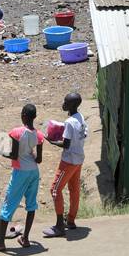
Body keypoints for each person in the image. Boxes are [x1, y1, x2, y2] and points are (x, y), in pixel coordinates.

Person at [0, 104, 44, 250]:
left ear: (23, 115)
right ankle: (25, 238)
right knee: (31, 205)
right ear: (34, 117)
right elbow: (39, 159)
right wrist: (31, 154)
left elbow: (14, 155)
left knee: (9, 204)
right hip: (34, 171)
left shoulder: (16, 132)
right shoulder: (39, 135)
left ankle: (0, 242)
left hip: (20, 171)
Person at [43, 92, 88, 237]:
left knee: (55, 189)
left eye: (66, 102)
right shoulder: (80, 117)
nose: (64, 104)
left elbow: (66, 144)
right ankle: (71, 220)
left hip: (68, 161)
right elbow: (83, 135)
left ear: (73, 105)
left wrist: (51, 141)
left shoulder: (69, 122)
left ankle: (59, 226)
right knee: (74, 190)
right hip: (79, 158)